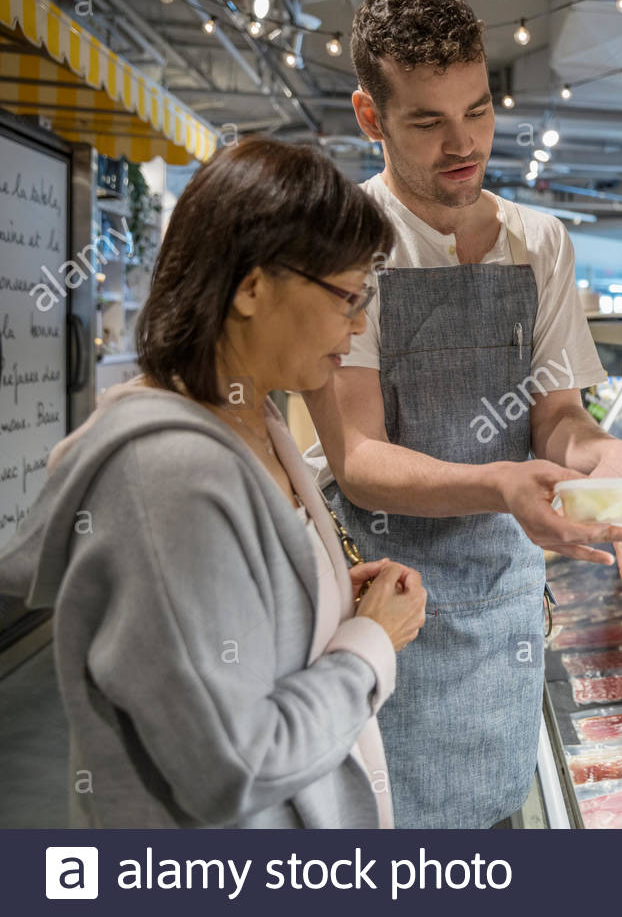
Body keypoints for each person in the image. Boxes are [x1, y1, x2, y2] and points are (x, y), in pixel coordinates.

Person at [302, 0, 622, 828]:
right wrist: (504, 485)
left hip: (506, 606)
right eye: (427, 121)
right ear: (371, 117)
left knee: (497, 820)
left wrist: (606, 458)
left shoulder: (541, 243)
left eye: (476, 110)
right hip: (389, 599)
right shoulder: (348, 244)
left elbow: (556, 417)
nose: (463, 143)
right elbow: (359, 459)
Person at [0, 138, 427, 828]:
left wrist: (314, 602)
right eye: (348, 297)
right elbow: (234, 766)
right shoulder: (168, 477)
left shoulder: (256, 421)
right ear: (252, 287)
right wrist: (369, 646)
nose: (357, 327)